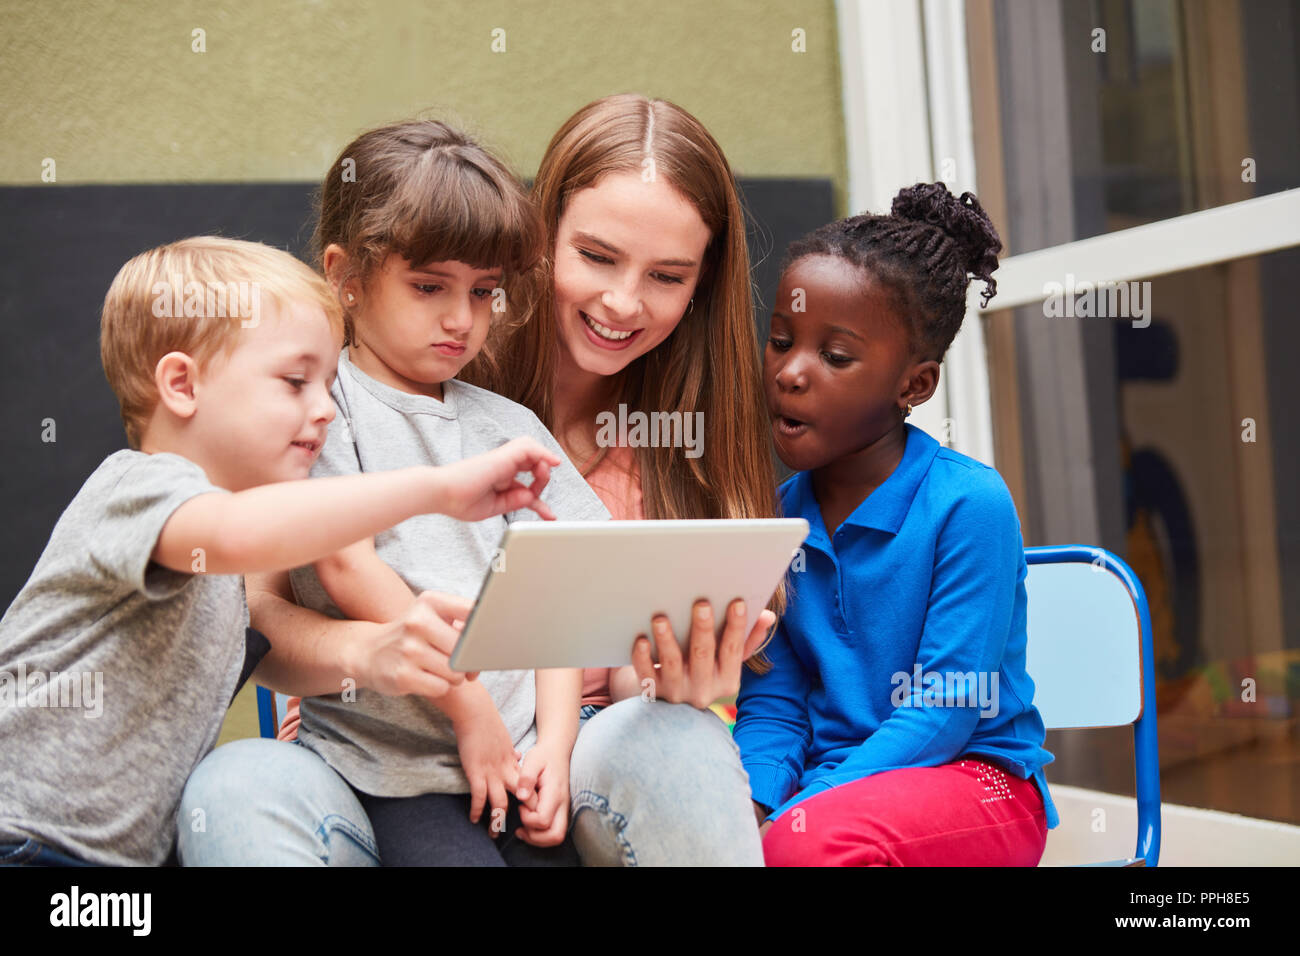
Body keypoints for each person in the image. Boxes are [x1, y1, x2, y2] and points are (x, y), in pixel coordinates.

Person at [0, 236, 562, 866]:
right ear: (182, 384)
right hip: (24, 841)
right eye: (296, 382)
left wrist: (372, 657)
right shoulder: (140, 487)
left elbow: (269, 625)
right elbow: (242, 529)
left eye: (327, 385)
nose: (324, 409)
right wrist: (436, 489)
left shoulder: (223, 558)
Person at [180, 120, 609, 867]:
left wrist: (558, 748)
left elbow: (559, 590)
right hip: (393, 776)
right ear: (346, 274)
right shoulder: (321, 410)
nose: (460, 319)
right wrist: (468, 707)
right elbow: (344, 566)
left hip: (520, 758)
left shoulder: (507, 424)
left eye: (483, 293)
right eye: (428, 287)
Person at [461, 93, 782, 865]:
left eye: (667, 276)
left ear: (702, 285)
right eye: (597, 257)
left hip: (584, 774)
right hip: (412, 759)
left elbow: (633, 710)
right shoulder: (436, 384)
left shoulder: (685, 449)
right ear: (539, 240)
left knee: (683, 739)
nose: (622, 302)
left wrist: (675, 690)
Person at [734, 182, 1061, 866]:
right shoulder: (775, 517)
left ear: (914, 385)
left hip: (976, 781)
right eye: (781, 342)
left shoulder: (969, 506)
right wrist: (751, 806)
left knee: (806, 848)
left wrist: (794, 816)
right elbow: (776, 702)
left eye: (835, 356)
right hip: (831, 792)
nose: (790, 373)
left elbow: (944, 712)